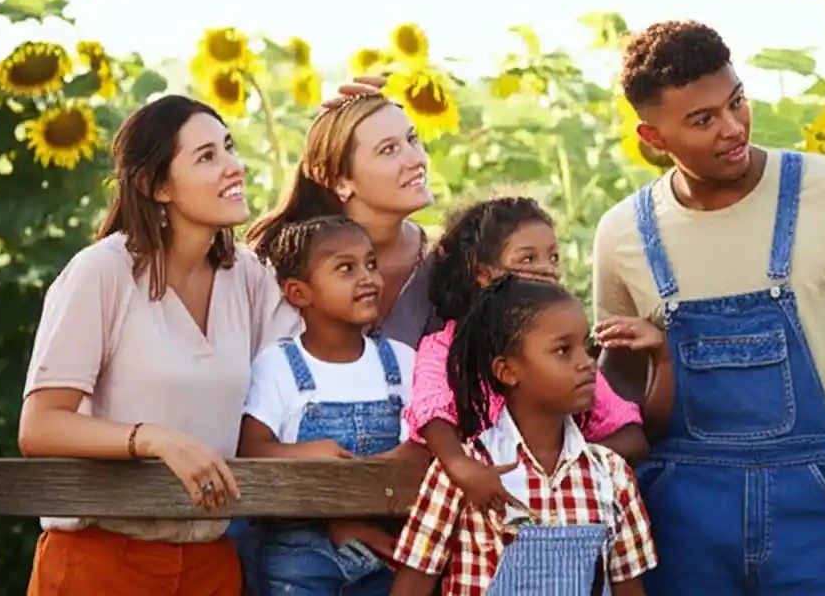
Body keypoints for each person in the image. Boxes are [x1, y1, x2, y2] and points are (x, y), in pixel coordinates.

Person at [593, 20, 825, 595]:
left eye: (736, 101)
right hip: (682, 519)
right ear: (654, 137)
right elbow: (614, 402)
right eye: (702, 120)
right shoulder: (623, 234)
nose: (733, 127)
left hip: (817, 508)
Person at [17, 95, 297, 595]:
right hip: (101, 560)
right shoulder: (102, 271)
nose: (234, 166)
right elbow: (40, 426)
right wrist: (152, 438)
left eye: (228, 148)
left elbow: (309, 373)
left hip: (211, 563)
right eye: (207, 156)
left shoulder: (249, 277)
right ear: (156, 185)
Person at [390, 275, 660, 595]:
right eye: (563, 350)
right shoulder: (464, 474)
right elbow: (410, 589)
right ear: (507, 371)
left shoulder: (612, 474)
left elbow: (629, 589)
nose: (587, 363)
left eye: (585, 347)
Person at [409, 196, 653, 512]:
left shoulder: (568, 354)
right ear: (483, 274)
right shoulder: (445, 348)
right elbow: (433, 413)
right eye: (527, 259)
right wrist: (459, 465)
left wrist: (554, 470)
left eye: (553, 257)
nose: (546, 270)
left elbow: (631, 440)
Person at [241, 215, 419, 595]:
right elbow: (250, 451)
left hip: (385, 556)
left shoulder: (402, 362)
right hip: (300, 561)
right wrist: (307, 454)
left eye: (371, 264)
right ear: (299, 293)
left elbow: (423, 447)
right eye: (345, 268)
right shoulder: (277, 365)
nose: (368, 277)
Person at [247, 90, 440, 350]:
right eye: (389, 150)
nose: (417, 159)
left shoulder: (446, 260)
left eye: (412, 139)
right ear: (339, 181)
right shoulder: (280, 271)